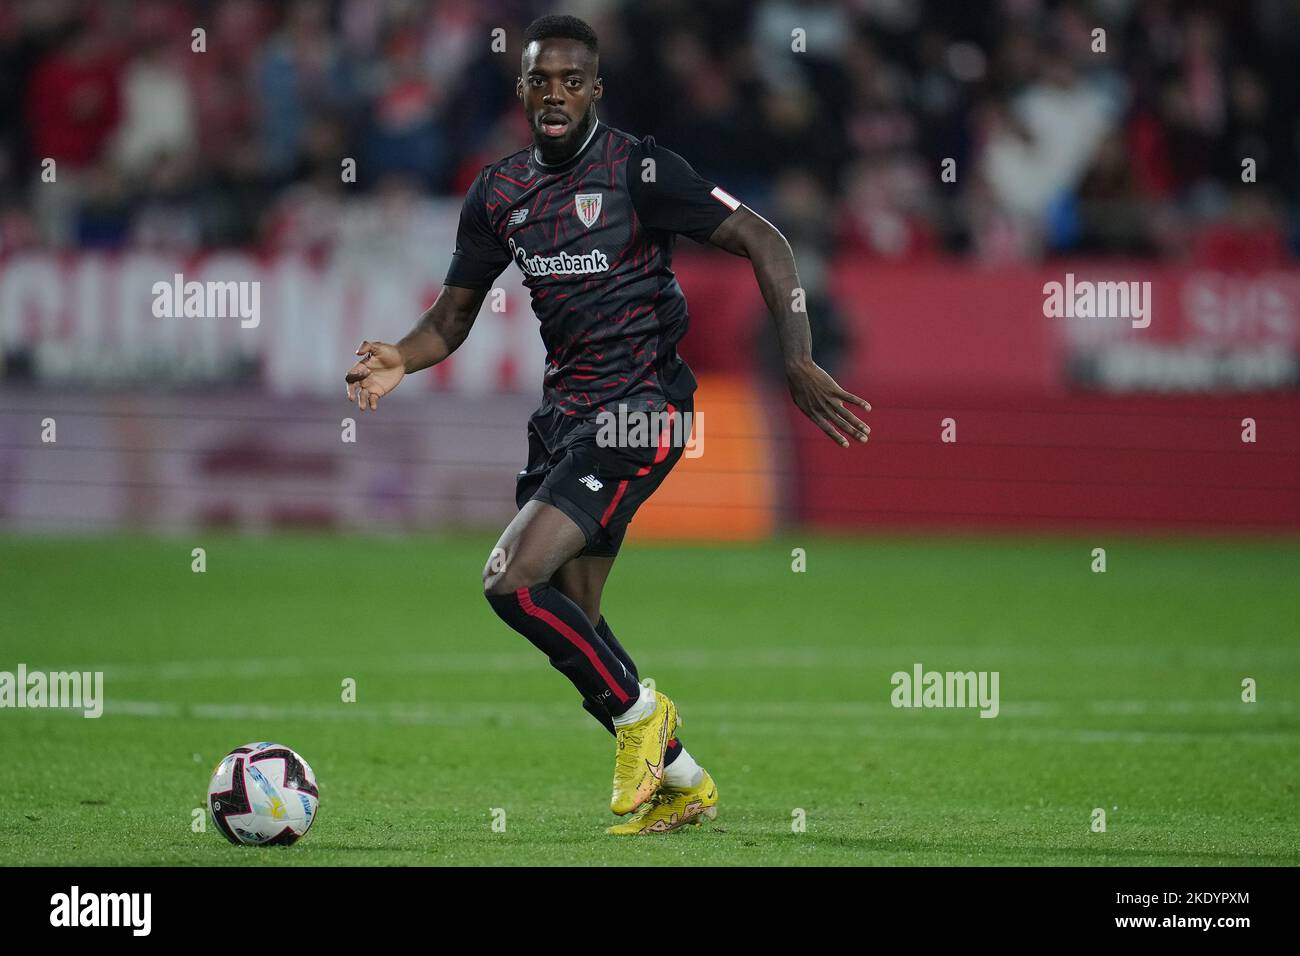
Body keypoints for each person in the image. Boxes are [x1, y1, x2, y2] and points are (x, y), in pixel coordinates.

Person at [345, 14, 870, 835]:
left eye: (570, 80)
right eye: (539, 80)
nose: (554, 93)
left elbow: (766, 240)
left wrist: (796, 356)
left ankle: (640, 722)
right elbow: (451, 319)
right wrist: (399, 359)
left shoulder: (642, 169)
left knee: (510, 580)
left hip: (643, 410)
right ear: (522, 90)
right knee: (568, 610)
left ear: (594, 89)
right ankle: (683, 778)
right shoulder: (500, 194)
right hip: (565, 417)